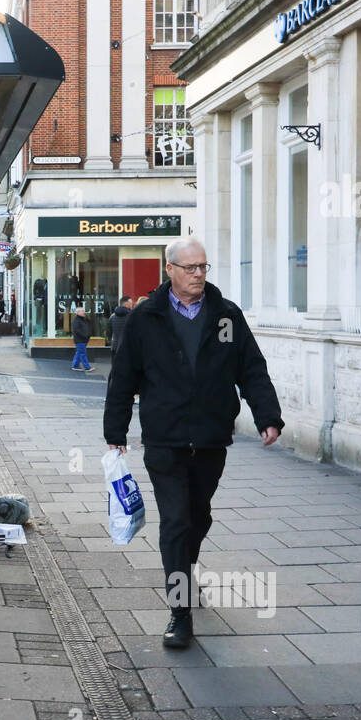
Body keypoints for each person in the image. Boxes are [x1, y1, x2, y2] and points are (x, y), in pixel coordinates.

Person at [103, 237, 284, 650]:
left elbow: (252, 369)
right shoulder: (146, 316)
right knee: (177, 521)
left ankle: (185, 566)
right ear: (169, 270)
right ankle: (179, 612)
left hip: (210, 437)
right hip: (164, 437)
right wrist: (116, 432)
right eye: (190, 268)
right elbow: (123, 376)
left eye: (203, 266)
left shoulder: (226, 316)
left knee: (199, 516)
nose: (199, 274)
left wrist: (267, 416)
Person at [70, 305, 93, 372]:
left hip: (84, 340)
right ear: (78, 312)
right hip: (80, 340)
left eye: (84, 311)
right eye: (82, 311)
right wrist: (85, 336)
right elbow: (77, 331)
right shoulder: (76, 321)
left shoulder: (83, 319)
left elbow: (87, 327)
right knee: (83, 354)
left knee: (79, 353)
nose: (84, 312)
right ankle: (87, 367)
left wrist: (88, 335)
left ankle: (74, 366)